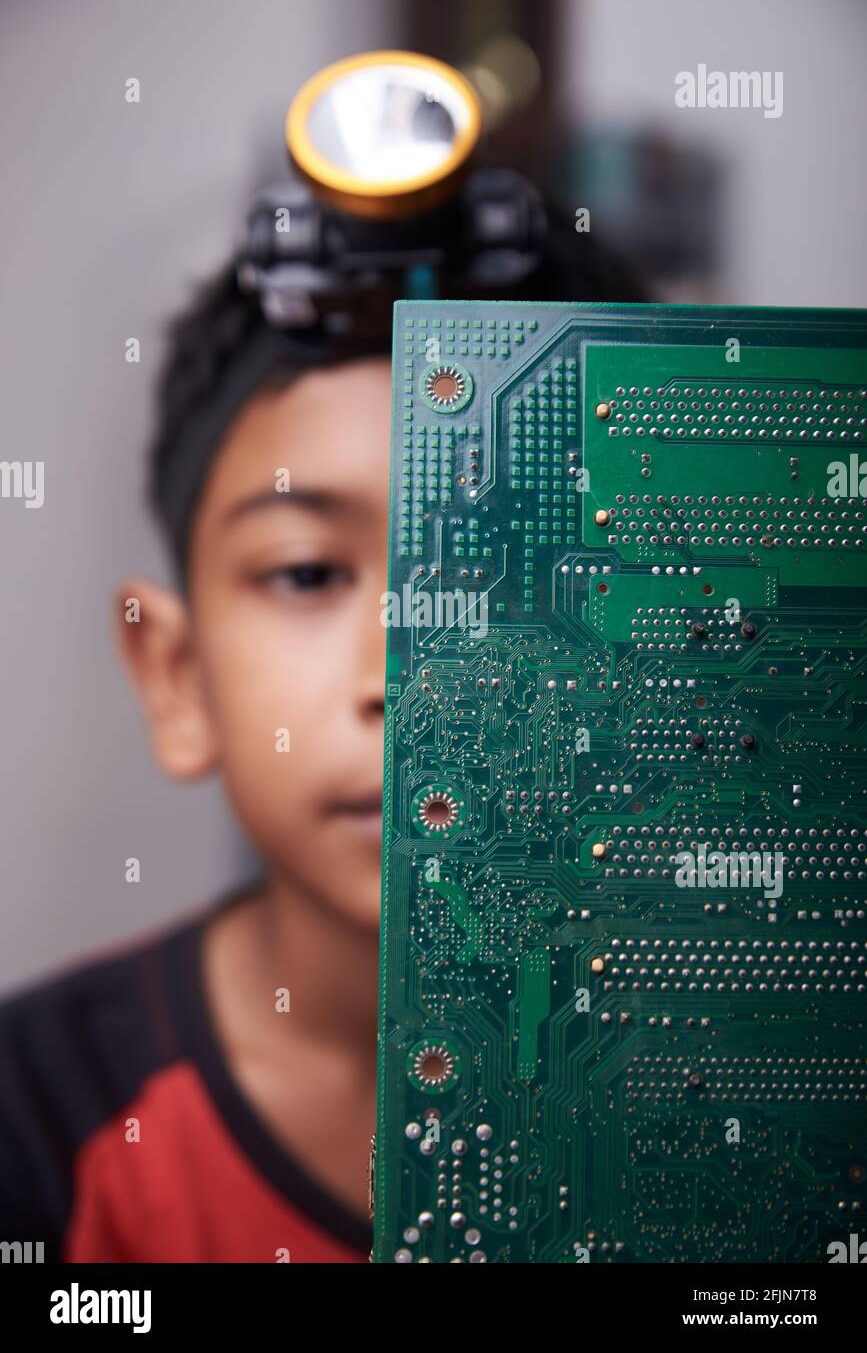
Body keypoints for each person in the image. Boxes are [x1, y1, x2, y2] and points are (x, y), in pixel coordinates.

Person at [0, 196, 643, 1262]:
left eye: (502, 564)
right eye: (307, 572)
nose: (404, 669)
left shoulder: (807, 1094)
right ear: (178, 676)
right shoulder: (34, 1127)